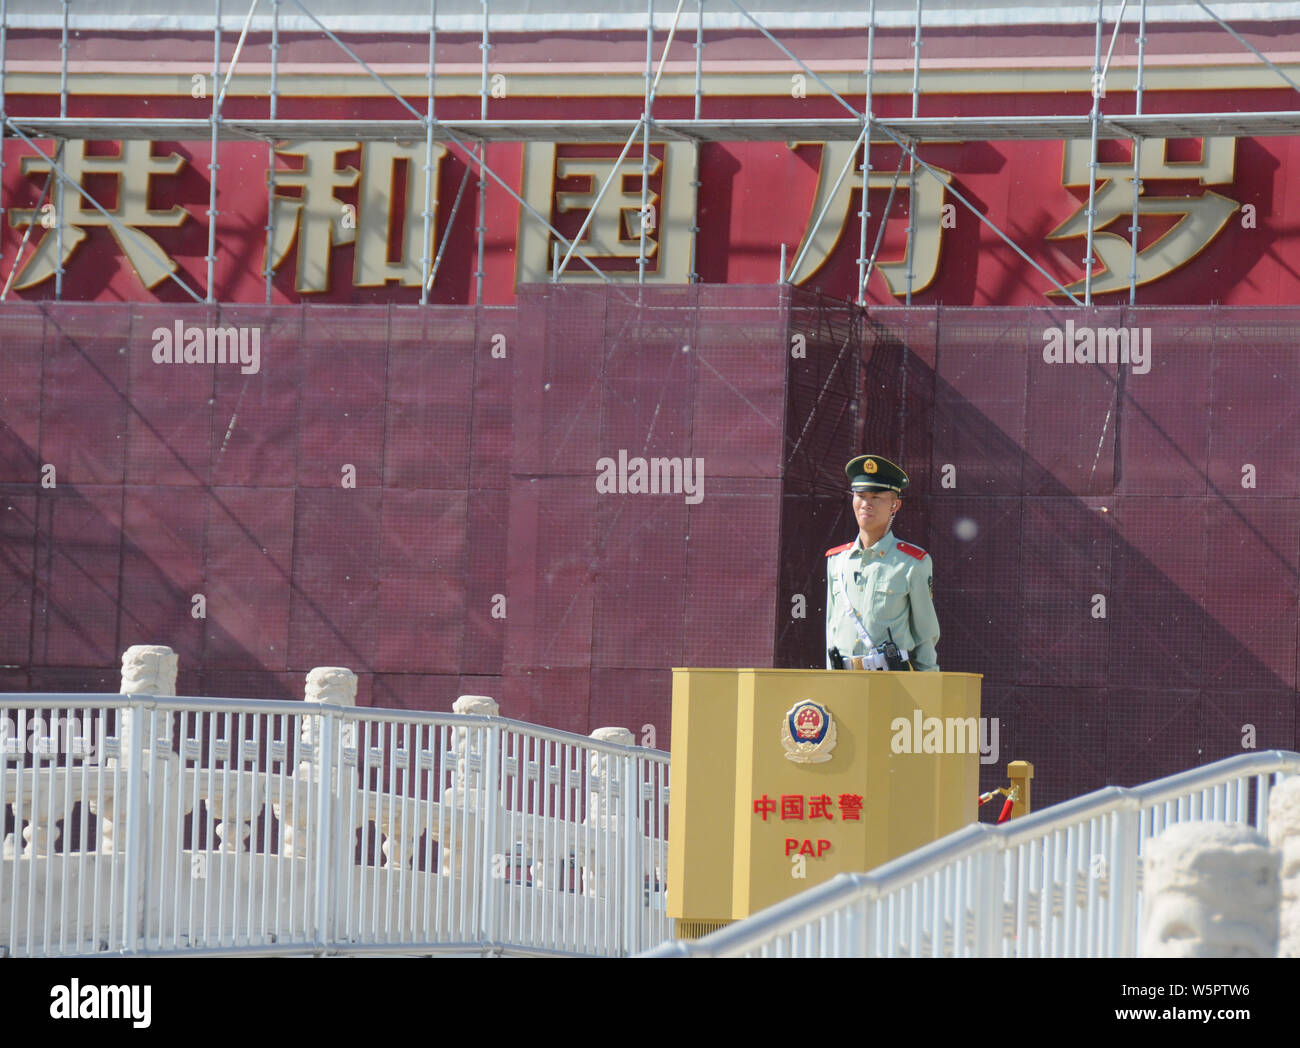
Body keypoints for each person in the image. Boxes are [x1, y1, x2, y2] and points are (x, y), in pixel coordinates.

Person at [825, 454, 940, 671]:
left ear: (894, 505)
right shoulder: (837, 561)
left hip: (891, 680)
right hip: (843, 680)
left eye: (876, 497)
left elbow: (925, 634)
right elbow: (831, 628)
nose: (866, 504)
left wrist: (927, 687)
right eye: (860, 495)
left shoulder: (912, 563)